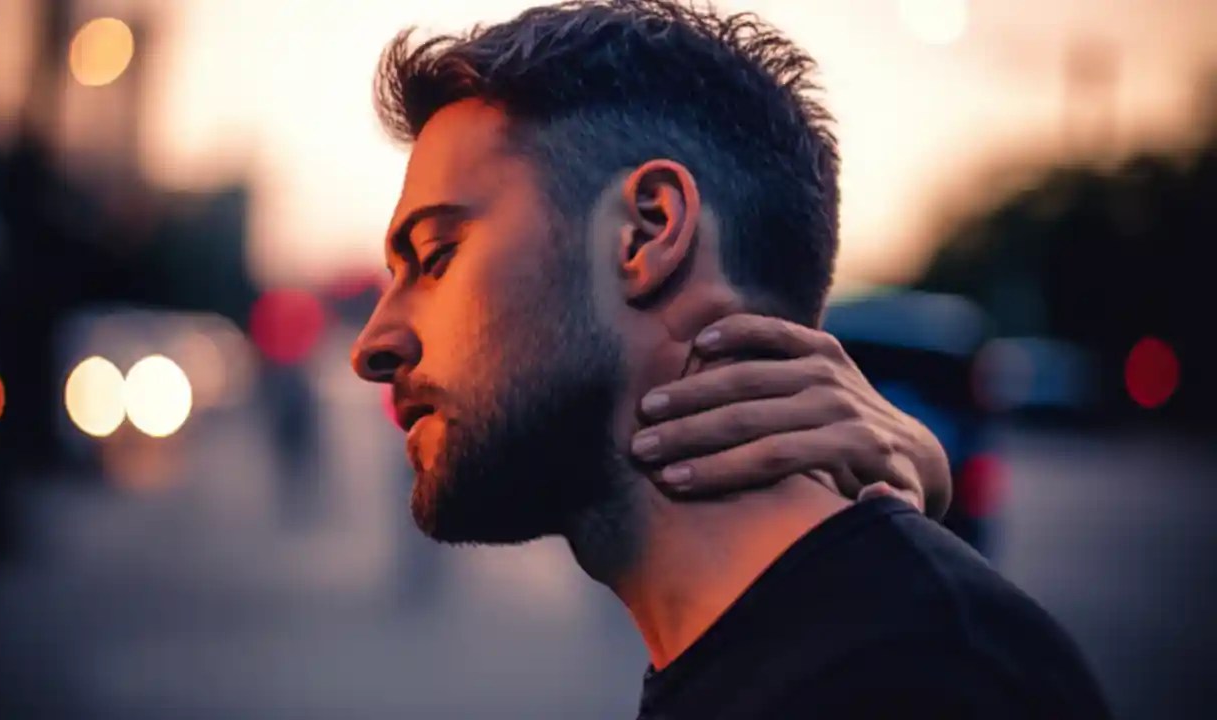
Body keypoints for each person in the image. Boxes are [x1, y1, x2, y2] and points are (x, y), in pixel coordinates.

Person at [352, 1, 1110, 717]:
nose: (372, 346)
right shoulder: (849, 652)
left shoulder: (923, 680)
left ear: (644, 233)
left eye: (435, 255)